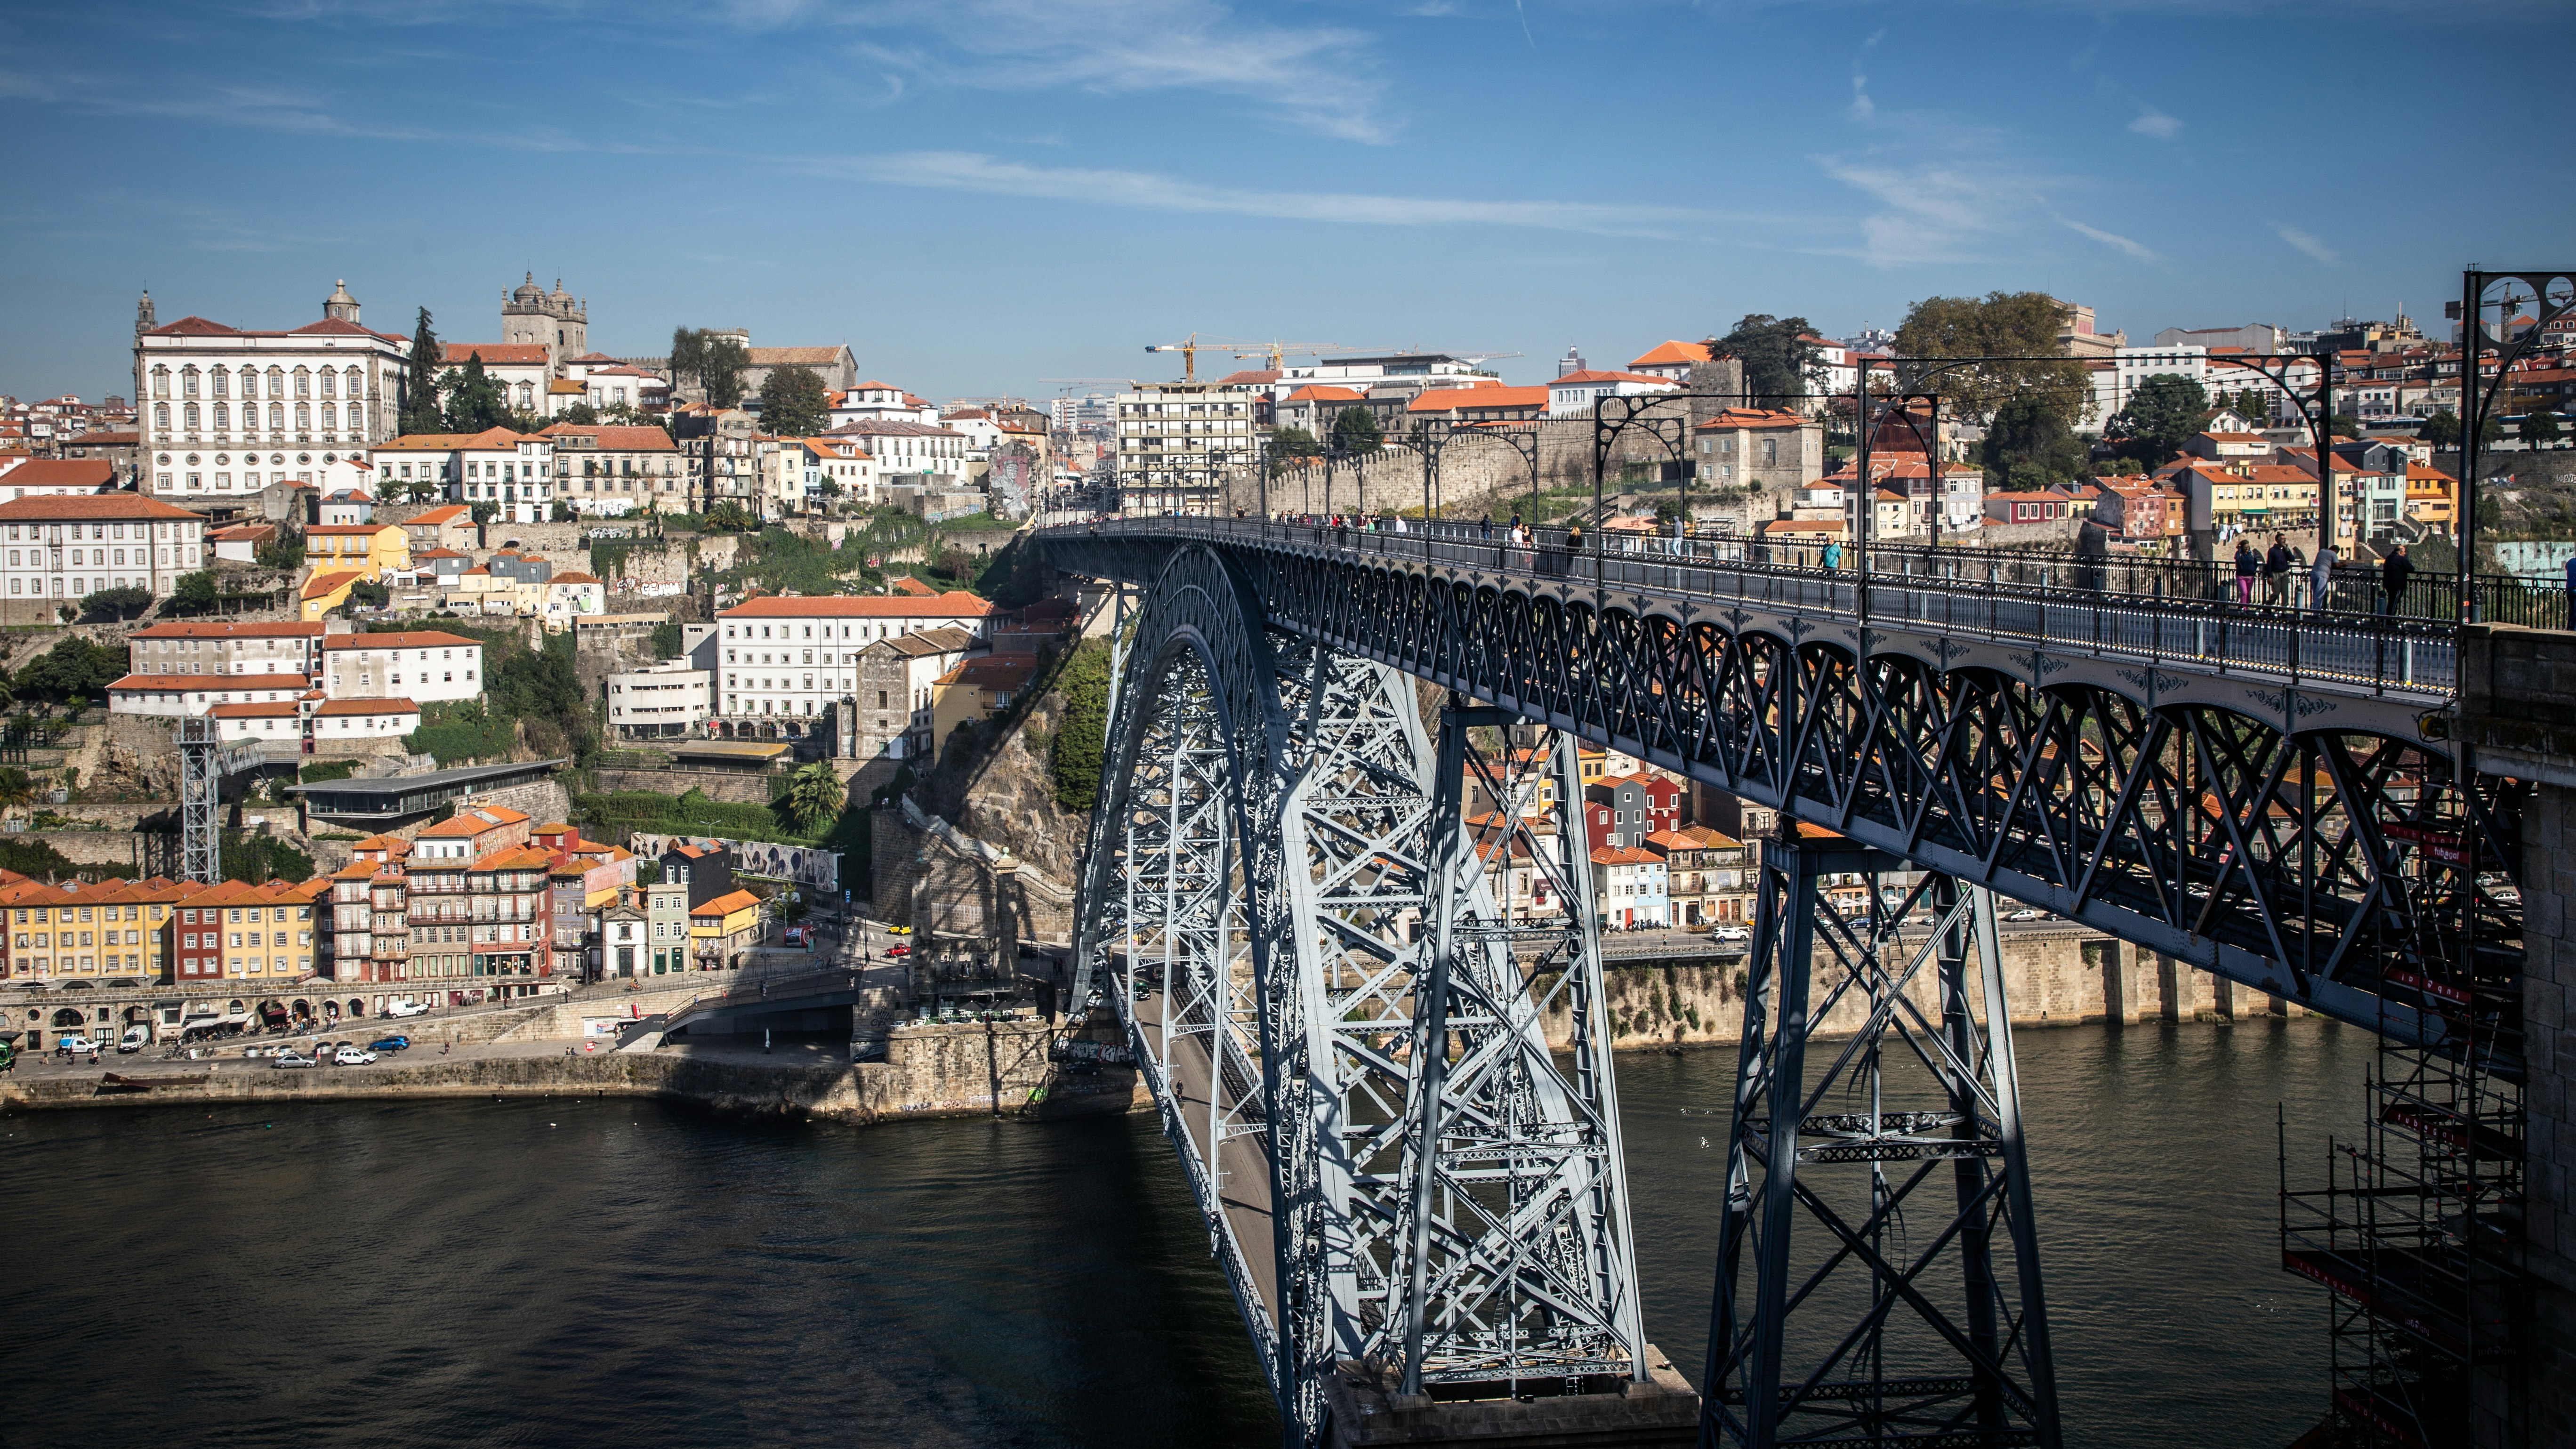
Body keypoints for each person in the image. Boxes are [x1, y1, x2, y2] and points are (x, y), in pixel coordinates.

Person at [2382, 543, 2414, 616]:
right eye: (2404, 552)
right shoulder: (2401, 559)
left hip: (2388, 583)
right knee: (2394, 602)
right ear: (2400, 552)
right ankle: (2390, 618)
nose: (2405, 554)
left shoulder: (2389, 558)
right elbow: (2411, 569)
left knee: (2391, 601)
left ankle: (2388, 618)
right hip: (2397, 583)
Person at [2264, 533, 2294, 606]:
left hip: (2285, 573)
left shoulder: (2285, 550)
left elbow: (2292, 559)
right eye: (2283, 539)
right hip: (2276, 574)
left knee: (2285, 593)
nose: (2284, 541)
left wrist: (2287, 550)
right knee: (2276, 592)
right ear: (2277, 540)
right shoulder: (2272, 550)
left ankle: (2284, 609)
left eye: (2285, 539)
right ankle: (2268, 606)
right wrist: (2269, 576)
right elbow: (2269, 563)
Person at [2310, 540, 2337, 612]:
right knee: (2319, 595)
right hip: (2323, 575)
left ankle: (2313, 611)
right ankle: (2316, 613)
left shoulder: (2321, 551)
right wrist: (2344, 564)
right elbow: (2336, 565)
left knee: (2315, 594)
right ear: (2336, 550)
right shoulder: (2333, 553)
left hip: (2314, 574)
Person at [2233, 537, 2260, 604]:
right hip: (2241, 576)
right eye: (2245, 547)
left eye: (2248, 547)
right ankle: (2243, 608)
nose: (2247, 549)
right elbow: (2237, 558)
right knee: (2244, 592)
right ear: (2242, 547)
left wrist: (2253, 569)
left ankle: (2246, 607)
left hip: (2250, 576)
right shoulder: (2239, 553)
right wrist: (2239, 550)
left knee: (2248, 593)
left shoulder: (2252, 553)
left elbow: (2256, 563)